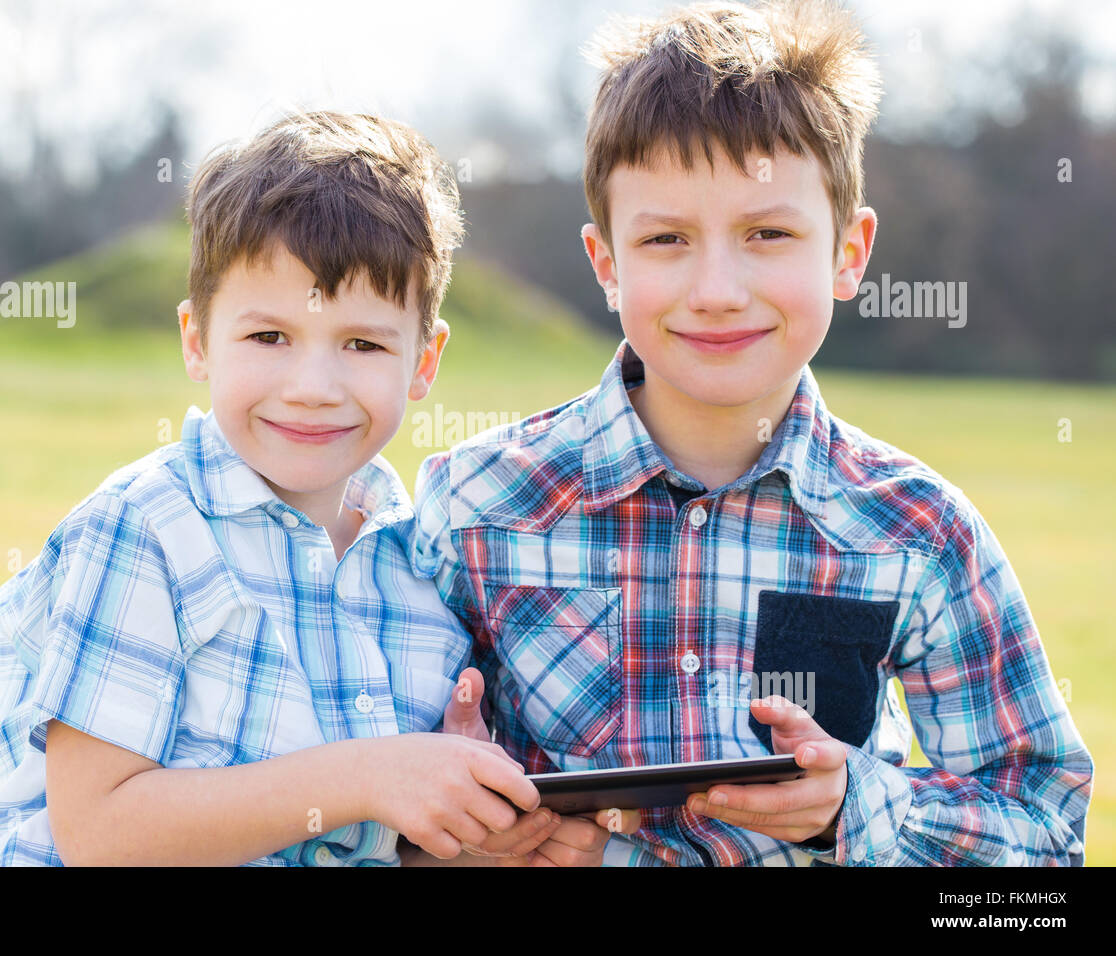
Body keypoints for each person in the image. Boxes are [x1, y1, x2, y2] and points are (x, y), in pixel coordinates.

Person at [411, 0, 1093, 866]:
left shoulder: (919, 531)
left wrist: (858, 805)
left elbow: (1047, 831)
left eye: (767, 233)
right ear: (606, 263)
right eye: (666, 239)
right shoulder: (473, 506)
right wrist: (437, 842)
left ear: (849, 251)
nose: (719, 288)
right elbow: (359, 801)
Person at [0, 109, 619, 866]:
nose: (312, 388)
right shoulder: (144, 530)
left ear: (425, 361)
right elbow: (101, 833)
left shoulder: (422, 567)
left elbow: (366, 842)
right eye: (269, 338)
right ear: (197, 340)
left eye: (362, 344)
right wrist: (369, 775)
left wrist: (465, 834)